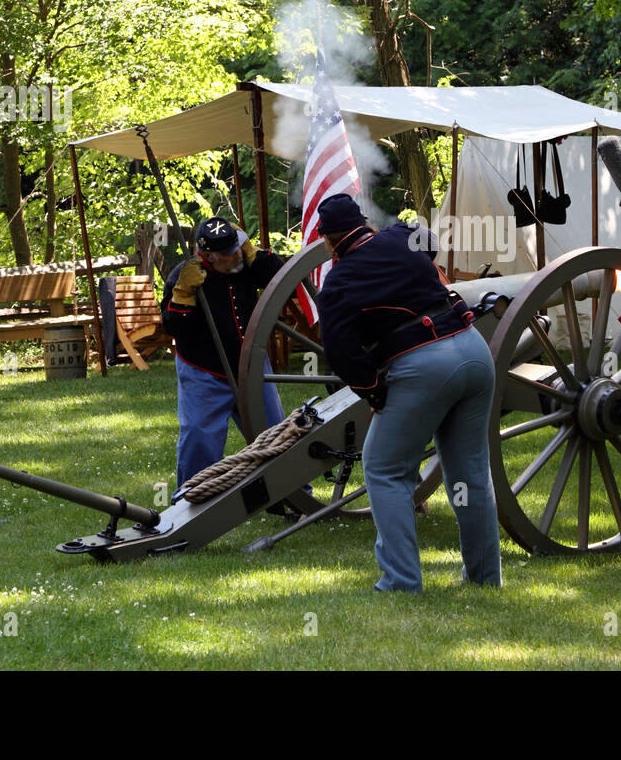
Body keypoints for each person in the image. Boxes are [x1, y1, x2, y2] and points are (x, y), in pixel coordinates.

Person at [314, 194, 502, 593]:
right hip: (473, 352)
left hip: (422, 366)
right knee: (471, 475)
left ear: (328, 241)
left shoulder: (339, 280)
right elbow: (430, 240)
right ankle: (485, 580)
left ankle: (401, 582)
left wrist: (373, 391)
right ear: (365, 224)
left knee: (384, 469)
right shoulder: (402, 236)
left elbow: (339, 352)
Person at [160, 216, 285, 487]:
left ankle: (291, 494)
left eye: (238, 247)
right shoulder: (183, 276)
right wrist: (183, 294)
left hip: (251, 364)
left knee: (275, 434)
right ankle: (190, 500)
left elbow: (282, 280)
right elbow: (171, 327)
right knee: (199, 438)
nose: (237, 254)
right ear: (208, 256)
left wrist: (256, 255)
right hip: (204, 369)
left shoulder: (245, 264)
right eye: (229, 253)